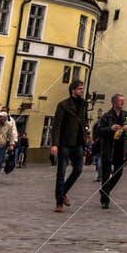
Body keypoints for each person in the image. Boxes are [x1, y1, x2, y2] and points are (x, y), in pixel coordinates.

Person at [95, 94, 127, 209]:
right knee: (106, 175)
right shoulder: (106, 116)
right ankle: (105, 200)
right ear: (114, 102)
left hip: (121, 148)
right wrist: (110, 129)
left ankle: (104, 191)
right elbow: (98, 130)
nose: (123, 102)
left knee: (119, 173)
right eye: (120, 101)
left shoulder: (126, 115)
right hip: (108, 148)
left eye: (123, 100)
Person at [52, 80, 87, 211]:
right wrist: (55, 144)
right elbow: (56, 126)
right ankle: (59, 203)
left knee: (78, 170)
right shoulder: (63, 105)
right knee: (61, 173)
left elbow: (84, 122)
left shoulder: (83, 104)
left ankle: (63, 192)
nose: (82, 91)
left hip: (78, 143)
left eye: (82, 89)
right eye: (79, 89)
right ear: (73, 90)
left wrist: (86, 137)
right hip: (65, 143)